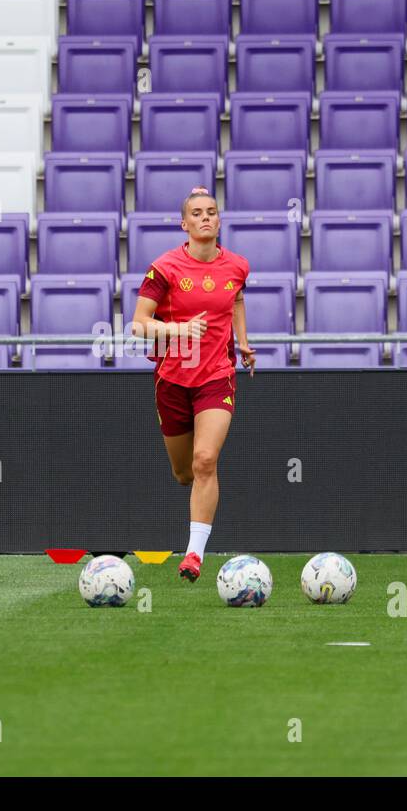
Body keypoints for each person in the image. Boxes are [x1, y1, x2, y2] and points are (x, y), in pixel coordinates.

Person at [131, 187, 254, 583]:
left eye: (212, 211)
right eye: (197, 213)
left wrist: (244, 342)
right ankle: (192, 504)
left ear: (219, 220)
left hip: (217, 375)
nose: (205, 217)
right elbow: (137, 325)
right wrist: (179, 329)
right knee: (184, 472)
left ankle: (194, 554)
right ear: (184, 224)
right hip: (172, 379)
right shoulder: (165, 268)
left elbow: (234, 300)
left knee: (205, 460)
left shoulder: (237, 266)